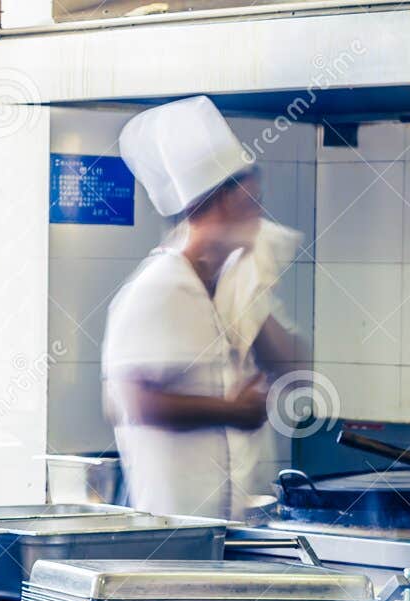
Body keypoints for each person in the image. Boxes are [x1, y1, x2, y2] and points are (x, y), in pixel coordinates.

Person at [102, 96, 301, 519]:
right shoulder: (159, 289)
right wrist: (232, 411)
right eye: (251, 201)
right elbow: (131, 401)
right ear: (222, 202)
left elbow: (294, 366)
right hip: (170, 531)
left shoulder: (230, 286)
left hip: (228, 527)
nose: (260, 213)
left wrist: (257, 286)